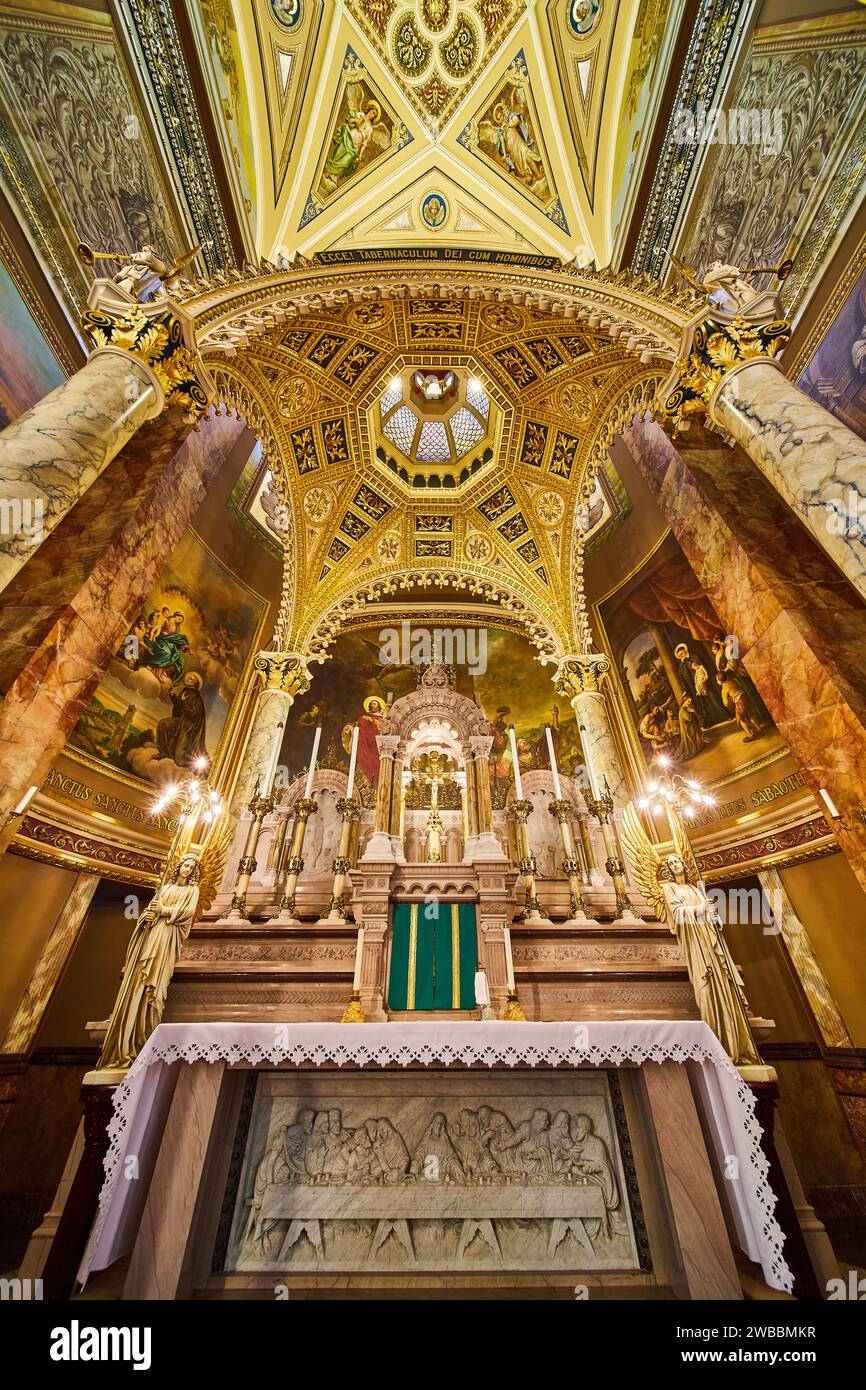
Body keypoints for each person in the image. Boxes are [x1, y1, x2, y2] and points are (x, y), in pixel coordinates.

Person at [156, 671, 208, 768]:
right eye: (188, 677)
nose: (188, 679)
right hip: (180, 721)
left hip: (189, 727)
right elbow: (179, 708)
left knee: (179, 758)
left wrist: (184, 702)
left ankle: (189, 766)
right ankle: (163, 753)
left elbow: (193, 715)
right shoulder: (185, 692)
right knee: (162, 724)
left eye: (191, 678)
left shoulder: (196, 698)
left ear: (195, 684)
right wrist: (173, 695)